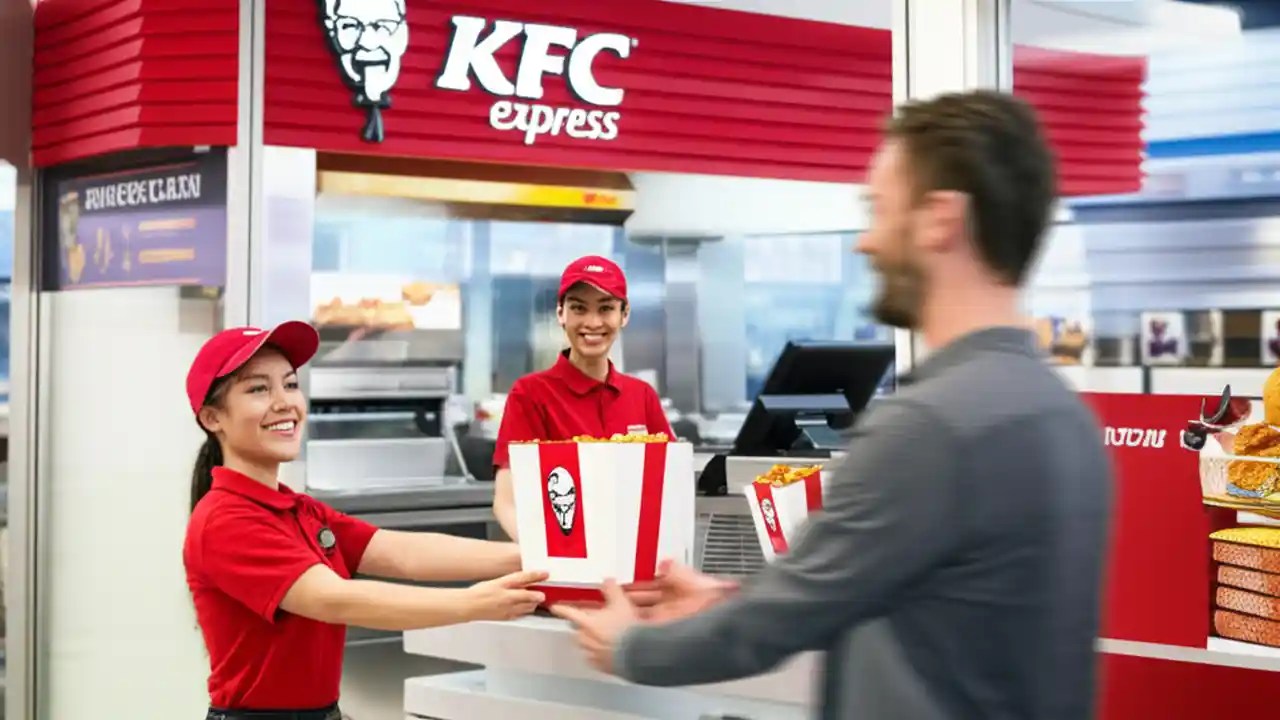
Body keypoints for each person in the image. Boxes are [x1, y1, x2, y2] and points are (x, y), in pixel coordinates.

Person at [552, 90, 1115, 720]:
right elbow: (910, 601)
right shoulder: (1063, 418)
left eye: (880, 210)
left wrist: (631, 647)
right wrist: (726, 599)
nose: (864, 243)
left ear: (940, 219)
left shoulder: (928, 426)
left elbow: (775, 624)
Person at [183, 320, 547, 720]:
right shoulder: (225, 518)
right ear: (213, 418)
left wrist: (539, 557)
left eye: (290, 384)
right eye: (258, 389)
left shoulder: (299, 510)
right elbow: (333, 599)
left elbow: (403, 553)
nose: (285, 402)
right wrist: (474, 603)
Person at [491, 256, 675, 539]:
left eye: (606, 308)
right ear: (561, 314)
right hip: (561, 559)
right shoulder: (531, 394)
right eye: (579, 308)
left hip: (635, 556)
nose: (593, 322)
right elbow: (507, 502)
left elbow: (669, 485)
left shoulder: (642, 396)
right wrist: (547, 553)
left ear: (624, 315)